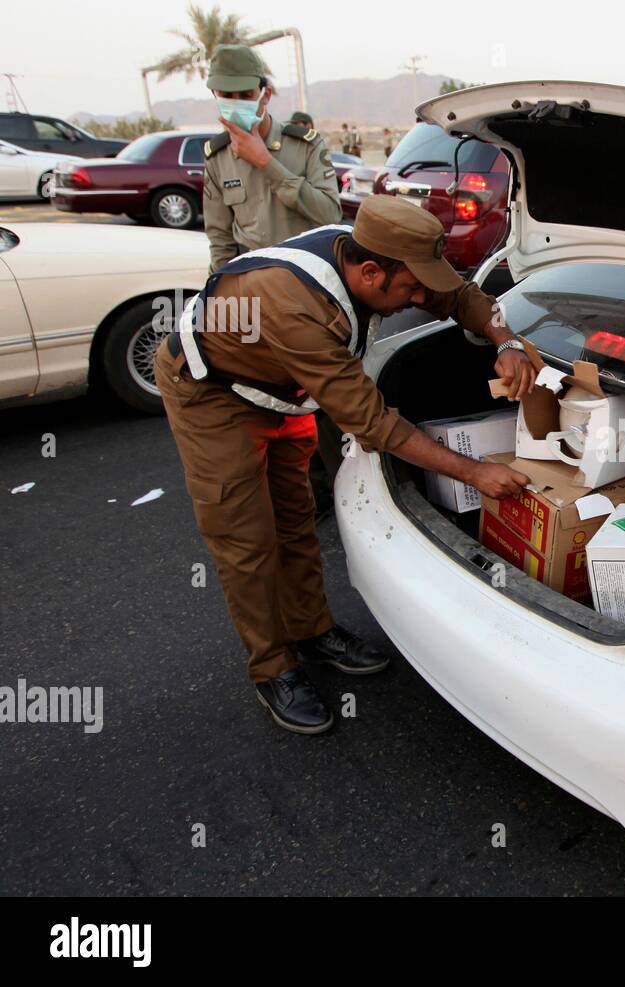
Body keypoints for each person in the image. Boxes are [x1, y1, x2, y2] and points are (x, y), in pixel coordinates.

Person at [154, 196, 536, 734]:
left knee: (296, 518)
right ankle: (272, 666)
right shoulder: (292, 308)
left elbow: (462, 296)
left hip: (283, 394)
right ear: (371, 272)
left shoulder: (378, 250)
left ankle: (312, 630)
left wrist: (507, 340)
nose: (422, 299)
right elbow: (374, 425)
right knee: (246, 538)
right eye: (411, 290)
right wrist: (474, 473)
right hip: (215, 397)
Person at [202, 45, 341, 273]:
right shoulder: (217, 156)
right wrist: (221, 288)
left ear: (265, 95)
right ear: (215, 95)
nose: (236, 103)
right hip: (252, 280)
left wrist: (267, 163)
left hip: (307, 275)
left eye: (246, 95)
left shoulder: (306, 145)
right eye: (226, 96)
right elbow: (220, 238)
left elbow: (329, 215)